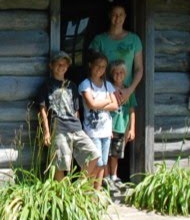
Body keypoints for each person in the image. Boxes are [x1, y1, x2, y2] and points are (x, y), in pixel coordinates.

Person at [36, 51, 99, 181]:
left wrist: (79, 126)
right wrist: (46, 132)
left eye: (64, 64)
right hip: (59, 129)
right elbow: (43, 110)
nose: (61, 67)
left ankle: (78, 186)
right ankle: (61, 191)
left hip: (76, 128)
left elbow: (76, 109)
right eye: (58, 64)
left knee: (93, 154)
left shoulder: (72, 86)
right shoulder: (46, 86)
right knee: (61, 162)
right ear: (51, 66)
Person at [78, 51, 119, 189]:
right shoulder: (85, 85)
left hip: (106, 130)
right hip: (92, 131)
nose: (100, 69)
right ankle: (87, 190)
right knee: (95, 161)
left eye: (103, 67)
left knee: (103, 163)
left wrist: (100, 103)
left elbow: (115, 105)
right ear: (90, 65)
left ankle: (97, 191)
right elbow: (91, 104)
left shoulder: (108, 85)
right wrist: (107, 100)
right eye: (97, 65)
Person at [89, 3, 143, 102]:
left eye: (121, 14)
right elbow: (96, 68)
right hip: (105, 92)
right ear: (109, 15)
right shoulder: (99, 40)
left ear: (125, 16)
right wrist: (111, 89)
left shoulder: (134, 40)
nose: (117, 18)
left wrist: (129, 90)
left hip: (126, 93)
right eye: (114, 14)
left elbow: (139, 68)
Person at [106, 59, 137, 190]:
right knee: (106, 152)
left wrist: (132, 129)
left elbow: (131, 110)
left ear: (125, 74)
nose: (118, 75)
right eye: (116, 72)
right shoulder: (108, 88)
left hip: (121, 127)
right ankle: (106, 177)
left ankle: (114, 176)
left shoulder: (128, 90)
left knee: (115, 154)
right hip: (108, 127)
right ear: (111, 73)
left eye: (121, 73)